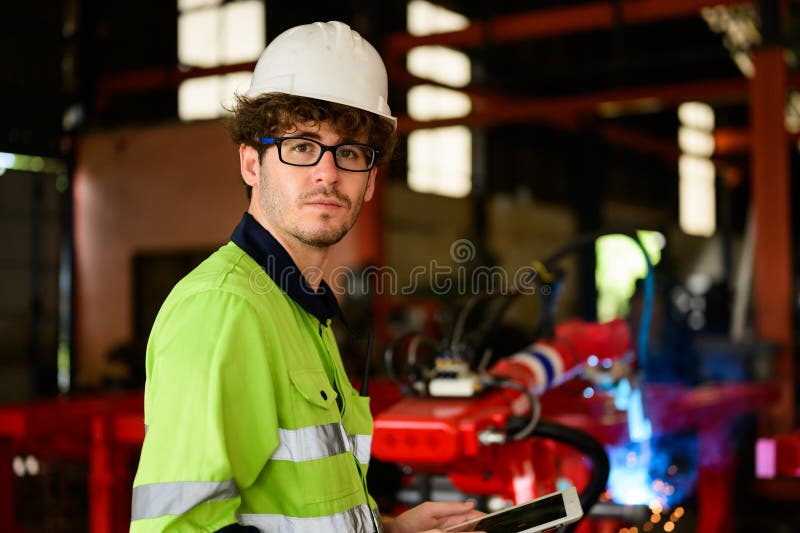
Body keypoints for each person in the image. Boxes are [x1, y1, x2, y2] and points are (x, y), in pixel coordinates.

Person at [130, 21, 484, 533]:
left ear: (369, 181)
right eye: (301, 146)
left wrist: (391, 531)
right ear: (252, 163)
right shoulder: (225, 308)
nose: (327, 172)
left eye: (350, 152)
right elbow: (179, 528)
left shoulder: (301, 313)